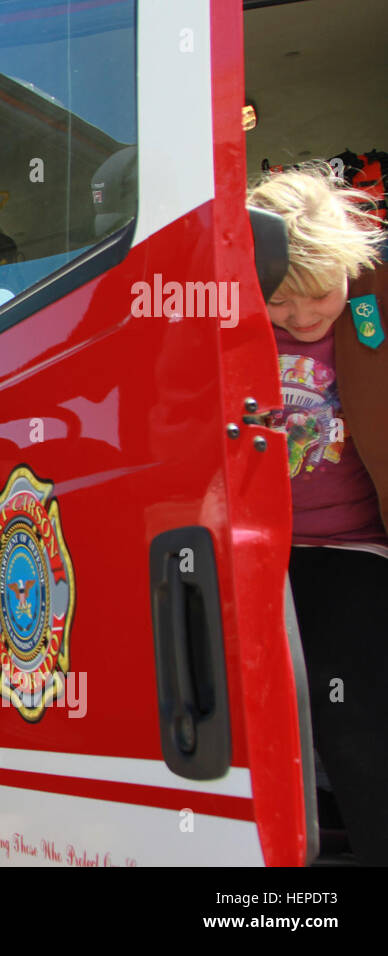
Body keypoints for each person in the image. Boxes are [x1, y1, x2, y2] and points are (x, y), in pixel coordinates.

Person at [247, 165, 388, 864]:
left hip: (357, 547)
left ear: (349, 264)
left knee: (353, 713)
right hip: (268, 551)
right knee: (283, 719)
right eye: (281, 304)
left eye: (320, 297)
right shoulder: (227, 325)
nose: (304, 319)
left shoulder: (377, 306)